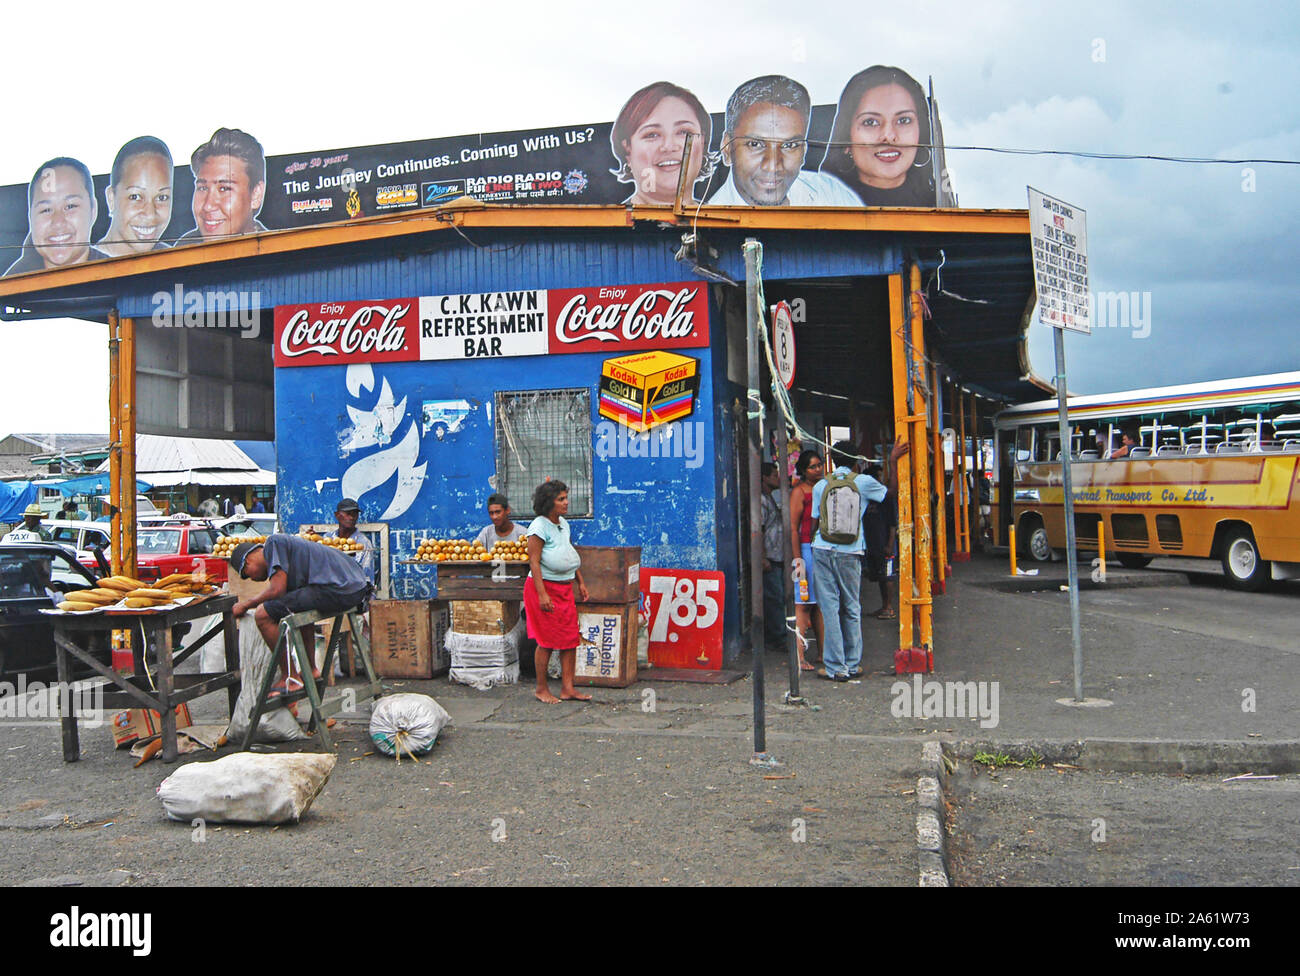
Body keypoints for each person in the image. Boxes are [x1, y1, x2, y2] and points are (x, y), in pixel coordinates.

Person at [810, 440, 908, 681]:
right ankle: (853, 664)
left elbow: (815, 521)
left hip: (822, 548)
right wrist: (893, 460)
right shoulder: (863, 483)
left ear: (832, 459)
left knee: (830, 608)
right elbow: (892, 494)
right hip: (850, 550)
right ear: (856, 461)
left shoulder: (820, 486)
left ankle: (836, 668)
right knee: (852, 607)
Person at [229, 535, 372, 695]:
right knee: (298, 605)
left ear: (247, 561)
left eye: (248, 575)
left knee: (263, 614)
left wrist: (246, 604)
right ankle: (311, 669)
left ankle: (289, 677)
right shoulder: (291, 557)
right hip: (353, 587)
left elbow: (277, 590)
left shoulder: (273, 543)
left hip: (340, 588)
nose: (253, 579)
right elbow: (292, 596)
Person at [706, 75, 861, 207]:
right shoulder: (707, 225)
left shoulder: (830, 195)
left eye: (789, 145)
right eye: (755, 144)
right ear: (727, 149)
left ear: (804, 152)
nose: (773, 165)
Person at [820, 66, 939, 207]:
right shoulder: (818, 205)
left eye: (903, 120)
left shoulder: (941, 210)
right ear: (846, 139)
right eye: (870, 122)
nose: (888, 136)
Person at [524, 480, 591, 704]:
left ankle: (568, 688)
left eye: (565, 498)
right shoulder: (538, 527)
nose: (566, 502)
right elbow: (534, 562)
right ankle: (541, 689)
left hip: (564, 588)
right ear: (549, 503)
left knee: (570, 639)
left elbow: (568, 553)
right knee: (547, 641)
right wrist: (542, 594)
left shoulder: (563, 523)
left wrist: (580, 582)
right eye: (561, 499)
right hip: (543, 588)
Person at [610, 81, 717, 206]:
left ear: (703, 141)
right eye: (652, 134)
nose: (669, 146)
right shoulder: (601, 224)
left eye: (683, 132)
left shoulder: (728, 223)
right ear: (627, 148)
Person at [4, 158, 107, 276]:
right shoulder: (10, 287)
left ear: (93, 210)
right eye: (46, 210)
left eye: (70, 206)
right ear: (30, 217)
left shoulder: (119, 278)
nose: (58, 222)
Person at [177, 128, 268, 243]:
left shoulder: (279, 252)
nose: (208, 206)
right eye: (203, 188)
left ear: (256, 194)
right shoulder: (184, 248)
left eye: (224, 189)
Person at [96, 137, 174, 256]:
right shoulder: (82, 268)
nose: (150, 214)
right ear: (111, 199)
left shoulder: (176, 262)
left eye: (162, 198)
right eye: (135, 197)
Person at [788, 449, 825, 671]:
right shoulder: (799, 492)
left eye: (819, 465)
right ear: (803, 470)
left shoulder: (822, 489)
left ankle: (823, 653)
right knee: (802, 605)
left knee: (820, 604)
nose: (818, 469)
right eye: (813, 466)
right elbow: (793, 528)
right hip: (805, 551)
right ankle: (800, 656)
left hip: (820, 550)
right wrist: (797, 560)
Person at [862, 461, 897, 620]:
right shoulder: (868, 498)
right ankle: (884, 606)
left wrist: (890, 544)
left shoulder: (886, 498)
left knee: (887, 576)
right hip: (873, 544)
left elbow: (892, 523)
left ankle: (889, 608)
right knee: (881, 577)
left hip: (885, 544)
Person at [759, 462, 787, 651]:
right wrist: (762, 557)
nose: (778, 478)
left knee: (777, 597)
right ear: (764, 478)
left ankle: (776, 635)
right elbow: (758, 530)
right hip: (769, 557)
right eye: (774, 475)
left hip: (776, 556)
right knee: (774, 598)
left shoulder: (769, 499)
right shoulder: (761, 501)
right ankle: (778, 638)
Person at [325, 497, 375, 580]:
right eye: (348, 514)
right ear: (337, 515)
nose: (351, 518)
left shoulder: (363, 543)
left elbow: (367, 576)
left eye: (354, 514)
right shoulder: (327, 539)